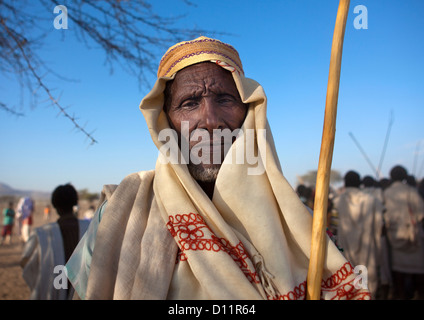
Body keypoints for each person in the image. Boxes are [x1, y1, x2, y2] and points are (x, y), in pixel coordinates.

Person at [66, 36, 370, 300]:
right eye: (189, 103)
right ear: (165, 123)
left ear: (249, 114)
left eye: (225, 99)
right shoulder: (123, 211)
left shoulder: (300, 228)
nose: (210, 121)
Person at [20, 184, 90, 299]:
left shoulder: (42, 233)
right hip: (84, 293)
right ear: (75, 203)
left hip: (51, 292)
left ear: (54, 204)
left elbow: (26, 263)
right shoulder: (91, 228)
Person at [333, 171, 384, 298]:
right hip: (368, 248)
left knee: (349, 280)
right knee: (368, 281)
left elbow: (334, 227)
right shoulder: (373, 201)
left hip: (345, 249)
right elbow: (379, 227)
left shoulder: (337, 201)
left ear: (344, 183)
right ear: (359, 182)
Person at [383, 165, 424, 299]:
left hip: (394, 237)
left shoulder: (387, 193)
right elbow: (421, 213)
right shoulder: (411, 191)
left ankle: (400, 295)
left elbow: (385, 216)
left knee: (398, 273)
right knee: (418, 272)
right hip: (413, 238)